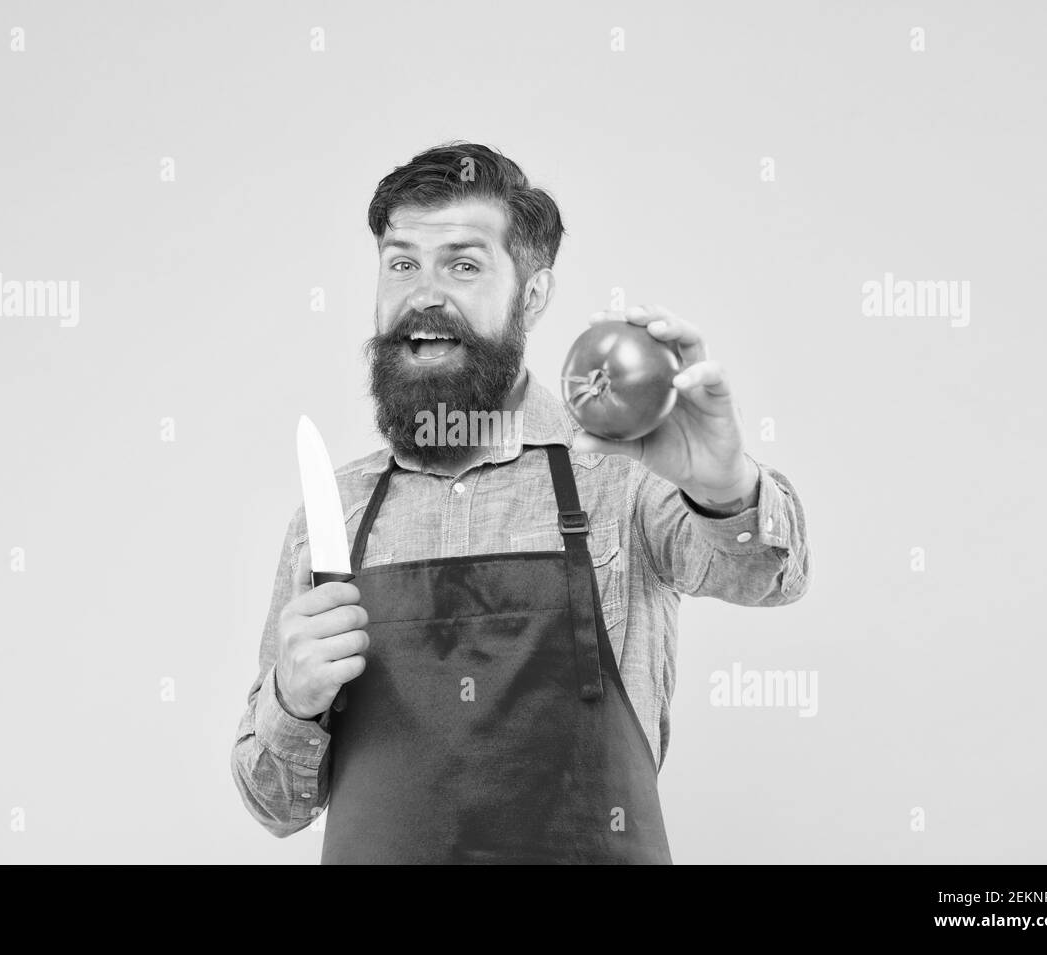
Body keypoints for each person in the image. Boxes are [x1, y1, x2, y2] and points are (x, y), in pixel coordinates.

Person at [231, 141, 813, 864]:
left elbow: (766, 574)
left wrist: (723, 483)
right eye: (402, 262)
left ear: (533, 295)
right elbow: (273, 801)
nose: (424, 294)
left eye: (464, 264)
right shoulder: (334, 512)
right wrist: (292, 697)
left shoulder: (622, 470)